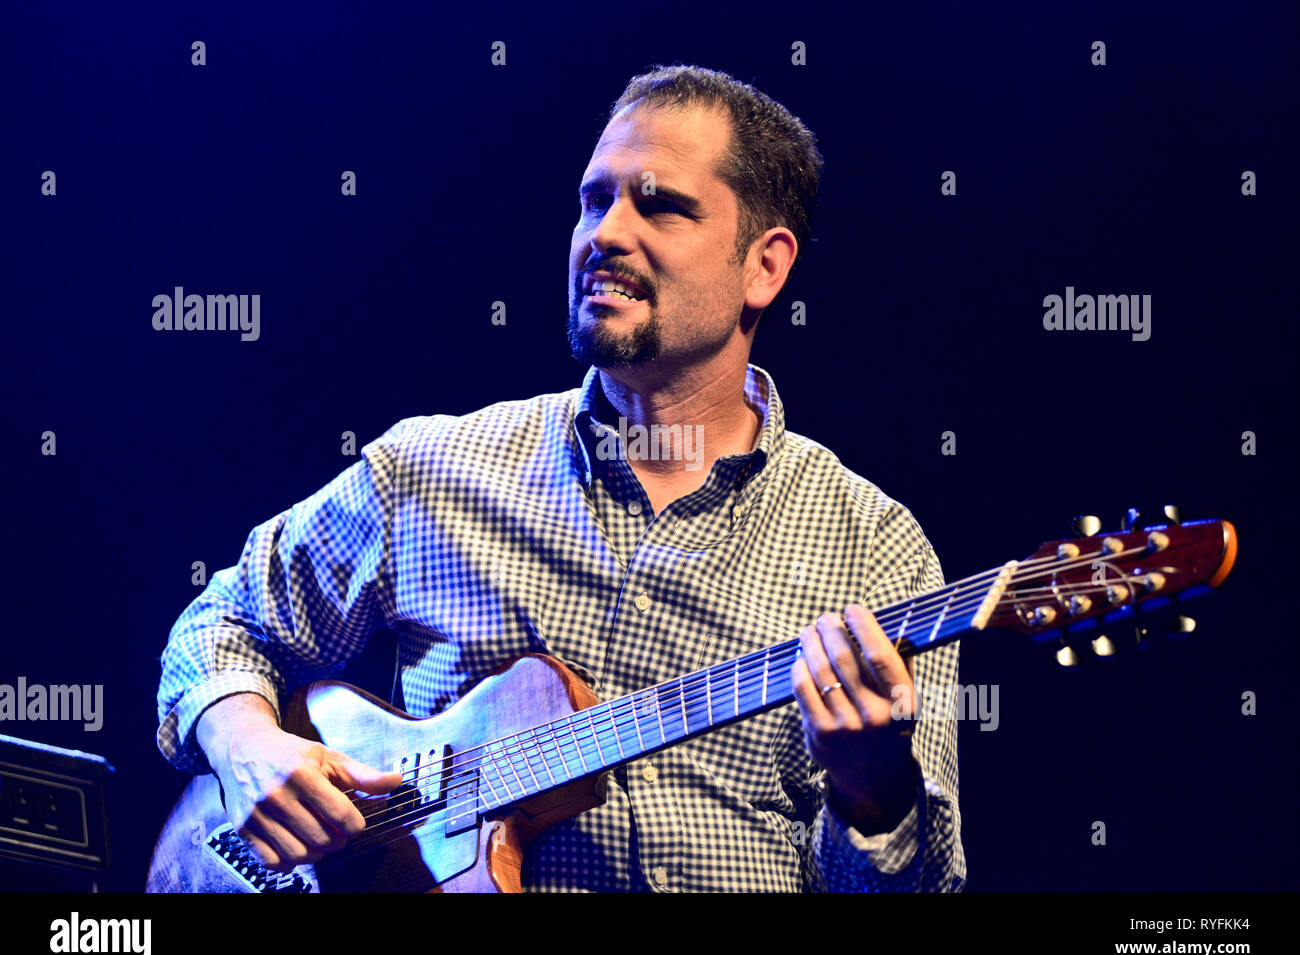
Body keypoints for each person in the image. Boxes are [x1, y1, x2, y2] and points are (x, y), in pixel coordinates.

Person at [157, 64, 965, 892]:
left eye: (659, 205)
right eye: (594, 201)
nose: (606, 234)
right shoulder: (433, 468)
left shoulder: (874, 550)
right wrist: (245, 747)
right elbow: (219, 627)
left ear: (764, 267)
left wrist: (873, 790)